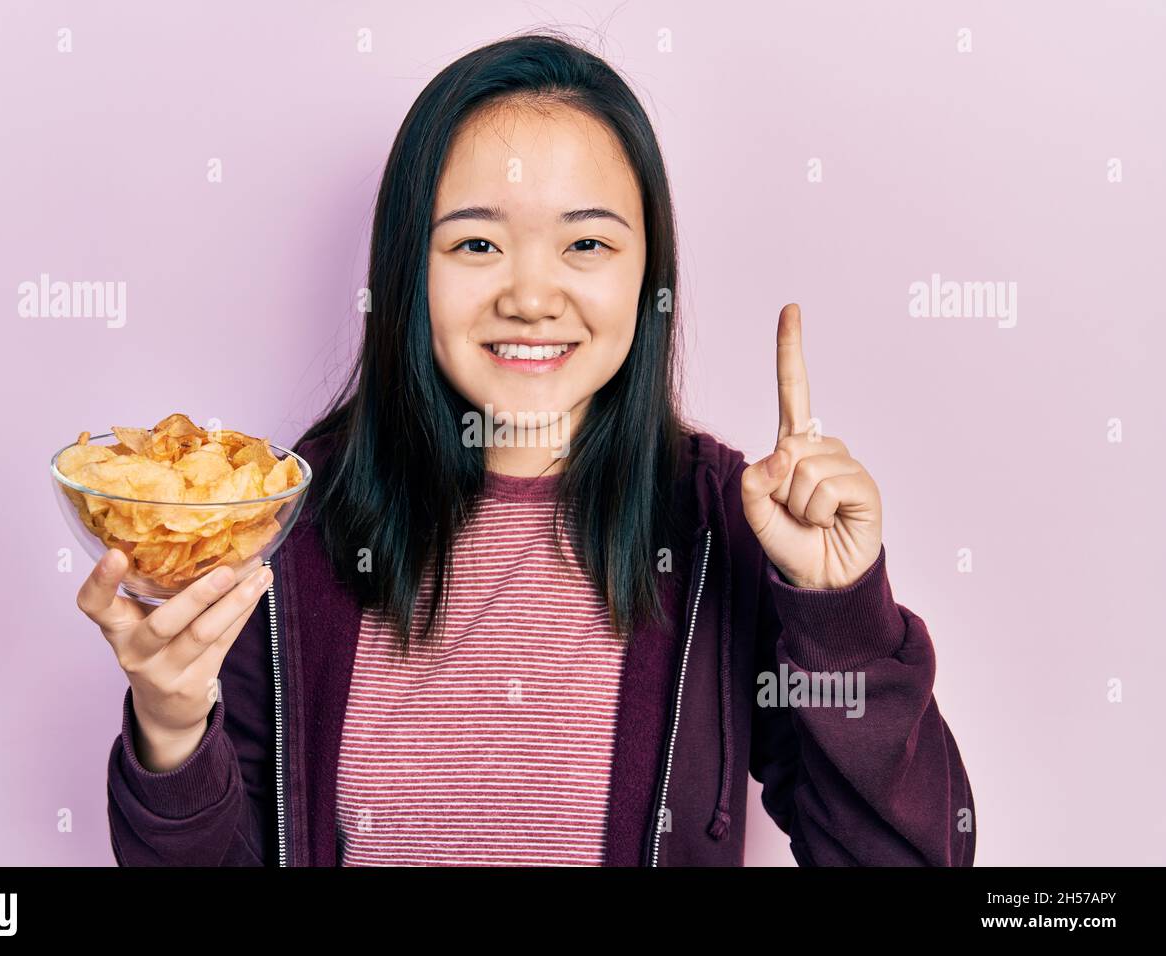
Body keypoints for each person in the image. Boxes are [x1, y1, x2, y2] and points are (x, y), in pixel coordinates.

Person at [79, 31, 975, 867]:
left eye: (586, 242)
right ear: (406, 271)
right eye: (477, 242)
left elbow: (905, 857)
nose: (533, 296)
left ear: (646, 274)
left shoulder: (722, 526)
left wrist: (840, 611)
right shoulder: (288, 525)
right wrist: (169, 720)